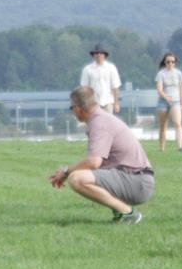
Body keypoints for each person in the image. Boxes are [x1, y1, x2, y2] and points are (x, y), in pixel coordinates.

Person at [50, 85, 154, 222]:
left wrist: (66, 171)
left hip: (137, 181)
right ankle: (121, 212)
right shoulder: (101, 119)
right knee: (86, 174)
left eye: (72, 108)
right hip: (135, 178)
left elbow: (94, 162)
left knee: (77, 178)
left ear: (77, 109)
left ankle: (127, 213)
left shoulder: (100, 123)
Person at [155, 51, 182, 151]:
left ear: (175, 62)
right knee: (163, 126)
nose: (170, 64)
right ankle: (162, 148)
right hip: (163, 102)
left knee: (178, 123)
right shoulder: (161, 74)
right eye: (168, 62)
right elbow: (159, 89)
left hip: (176, 101)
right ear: (165, 62)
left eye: (172, 62)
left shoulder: (178, 73)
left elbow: (180, 89)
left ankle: (180, 146)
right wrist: (166, 97)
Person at [79, 43, 122, 115]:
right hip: (94, 103)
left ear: (104, 55)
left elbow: (115, 87)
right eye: (96, 53)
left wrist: (116, 103)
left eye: (101, 53)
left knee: (108, 124)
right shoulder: (87, 69)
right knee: (95, 123)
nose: (98, 55)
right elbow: (84, 89)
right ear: (93, 55)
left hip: (108, 102)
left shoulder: (111, 68)